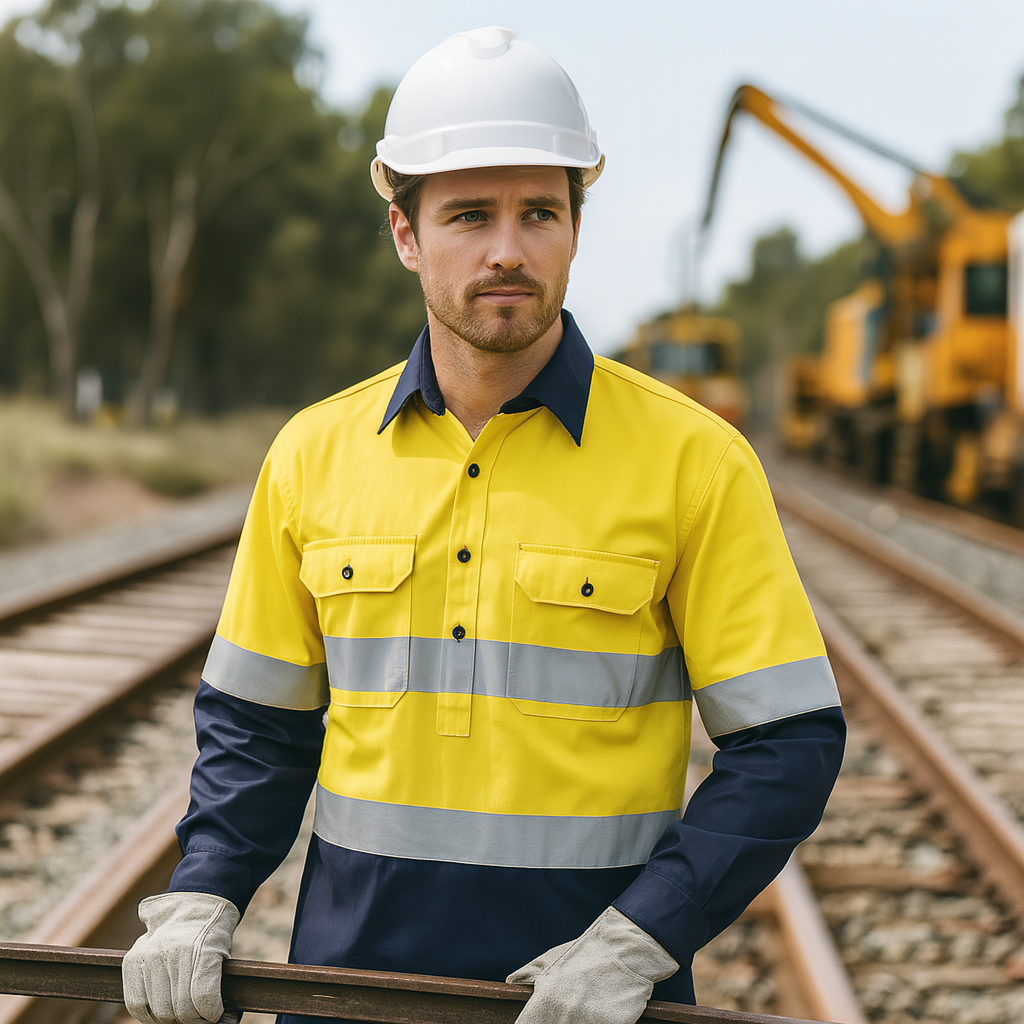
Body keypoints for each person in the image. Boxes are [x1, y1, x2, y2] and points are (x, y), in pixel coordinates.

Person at [122, 26, 845, 1024]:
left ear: (576, 228)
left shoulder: (696, 462)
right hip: (349, 998)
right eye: (469, 215)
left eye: (539, 212)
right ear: (406, 234)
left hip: (587, 1006)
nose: (508, 249)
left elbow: (788, 743)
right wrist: (203, 893)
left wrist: (640, 939)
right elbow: (256, 728)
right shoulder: (310, 455)